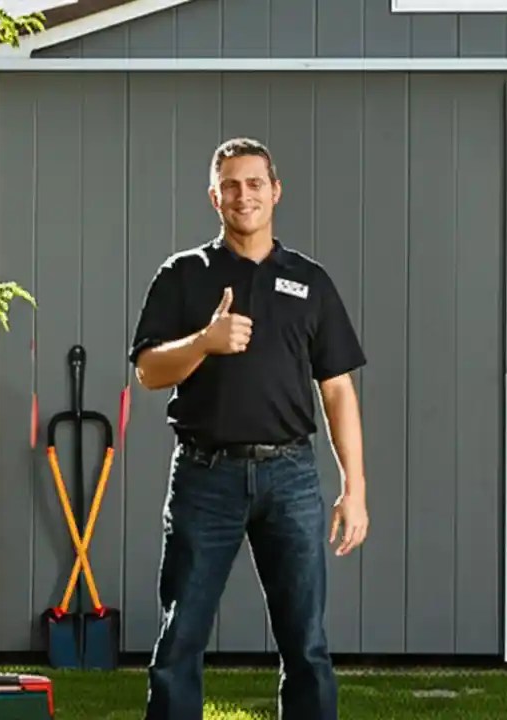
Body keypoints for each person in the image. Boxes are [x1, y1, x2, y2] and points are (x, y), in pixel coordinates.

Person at [129, 137, 368, 720]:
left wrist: (354, 488)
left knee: (306, 645)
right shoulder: (184, 275)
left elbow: (337, 389)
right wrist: (204, 342)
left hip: (290, 478)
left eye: (255, 183)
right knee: (180, 639)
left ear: (275, 190)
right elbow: (148, 372)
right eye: (231, 185)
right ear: (215, 197)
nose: (244, 195)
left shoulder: (309, 281)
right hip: (204, 477)